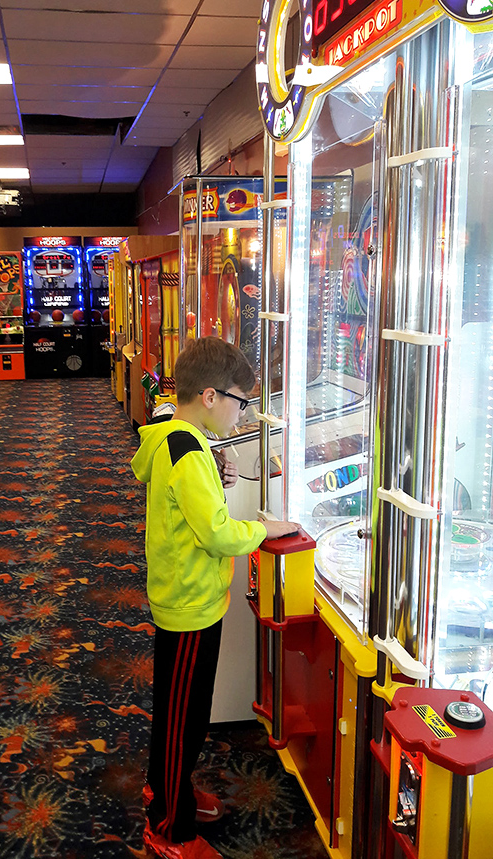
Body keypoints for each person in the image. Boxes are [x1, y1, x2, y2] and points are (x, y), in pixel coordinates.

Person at [131, 336, 300, 859]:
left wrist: (213, 474)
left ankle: (167, 790)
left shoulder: (181, 438)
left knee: (184, 713)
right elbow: (217, 533)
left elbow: (193, 504)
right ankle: (169, 827)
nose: (241, 413)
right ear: (210, 396)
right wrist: (264, 530)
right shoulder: (186, 449)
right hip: (188, 605)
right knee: (183, 720)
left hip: (189, 597)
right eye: (239, 402)